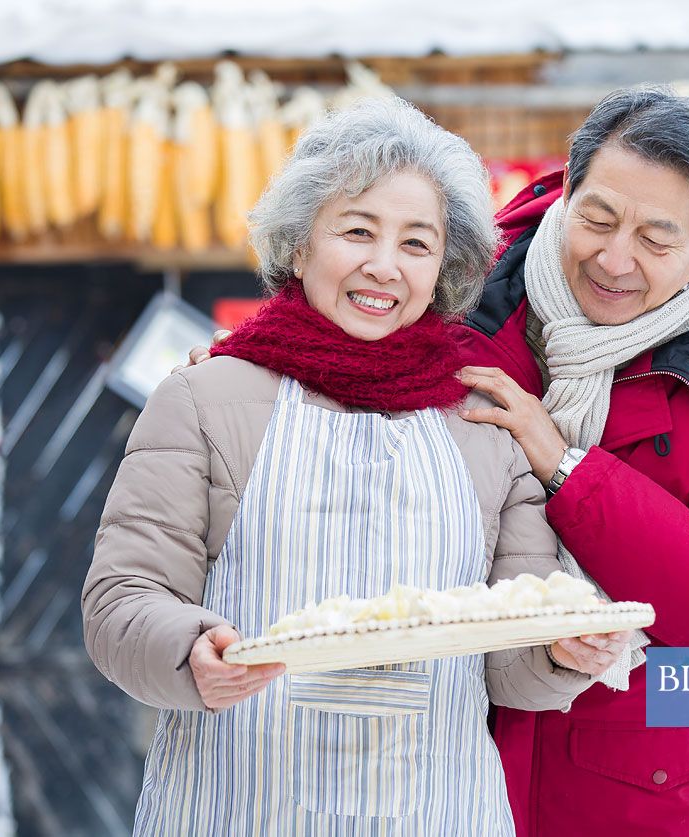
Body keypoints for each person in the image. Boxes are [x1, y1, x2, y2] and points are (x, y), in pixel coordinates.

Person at [81, 96, 628, 836]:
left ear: (444, 267)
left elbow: (509, 652)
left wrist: (560, 648)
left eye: (415, 243)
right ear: (299, 245)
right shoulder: (205, 397)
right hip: (235, 804)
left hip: (439, 810)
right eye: (357, 230)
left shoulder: (483, 424)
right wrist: (188, 650)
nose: (383, 265)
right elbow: (123, 595)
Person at [452, 87, 689, 836]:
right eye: (596, 218)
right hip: (446, 743)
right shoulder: (464, 291)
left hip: (635, 782)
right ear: (566, 187)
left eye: (655, 239)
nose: (613, 259)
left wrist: (567, 467)